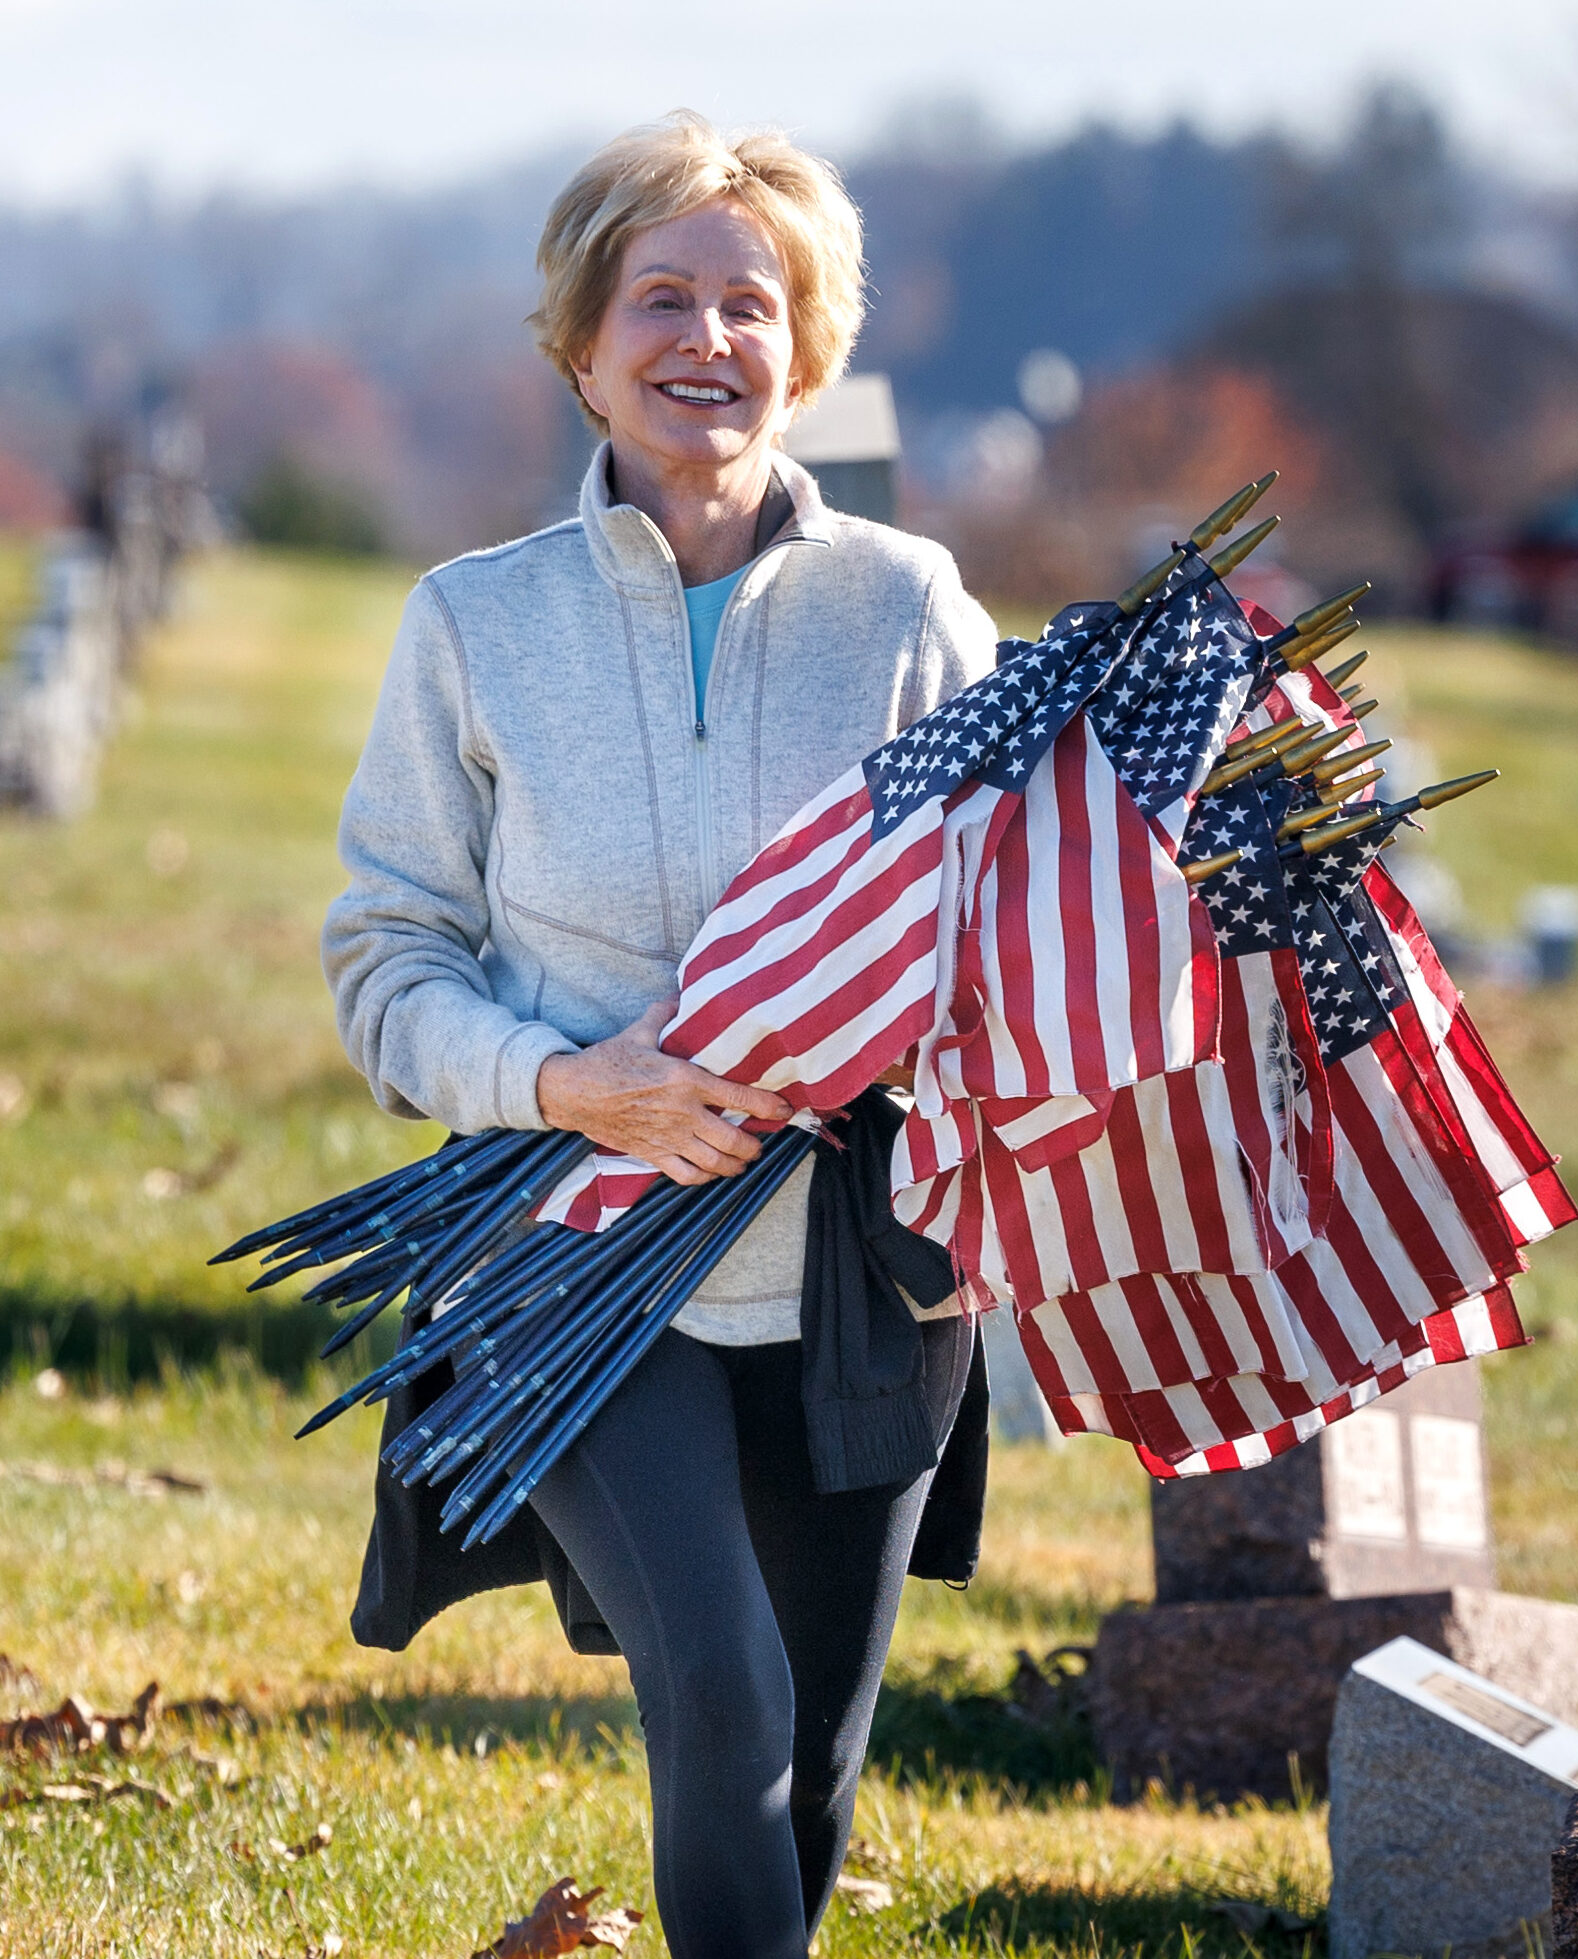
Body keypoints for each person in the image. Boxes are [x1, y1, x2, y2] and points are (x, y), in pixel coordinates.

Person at [321, 113, 1001, 1959]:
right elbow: (388, 957)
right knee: (728, 1702)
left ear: (809, 346)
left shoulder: (911, 609)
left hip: (867, 1266)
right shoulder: (474, 622)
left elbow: (1022, 909)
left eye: (752, 304)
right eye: (664, 299)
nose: (710, 339)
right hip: (569, 1256)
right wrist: (565, 1085)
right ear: (580, 340)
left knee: (823, 1750)